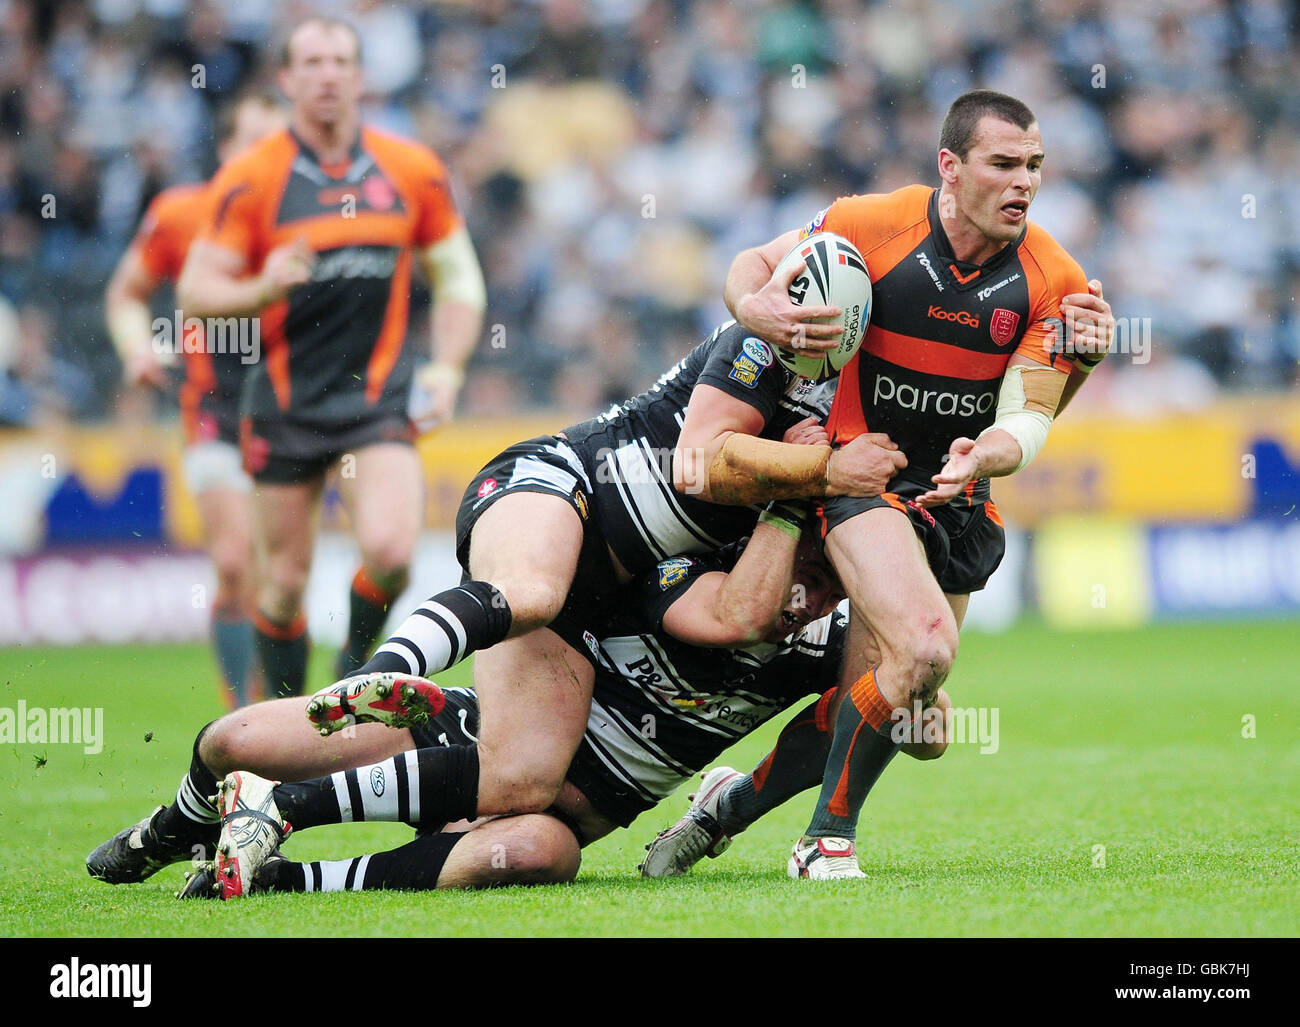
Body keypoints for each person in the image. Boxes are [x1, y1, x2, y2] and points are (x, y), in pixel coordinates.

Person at [87, 495, 944, 895]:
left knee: (544, 853)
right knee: (234, 738)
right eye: (806, 573)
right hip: (487, 737)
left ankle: (282, 880)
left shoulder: (832, 645)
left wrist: (915, 705)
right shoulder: (697, 573)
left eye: (836, 588)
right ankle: (177, 823)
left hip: (563, 811)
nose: (812, 598)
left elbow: (849, 722)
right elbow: (728, 617)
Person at [687, 88, 1116, 874]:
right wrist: (757, 309)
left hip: (955, 497)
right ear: (950, 168)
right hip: (862, 479)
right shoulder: (867, 224)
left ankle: (728, 806)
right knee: (922, 650)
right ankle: (825, 844)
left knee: (918, 724)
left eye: (1035, 167)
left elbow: (1028, 417)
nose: (1024, 182)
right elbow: (752, 265)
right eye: (1004, 164)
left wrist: (985, 454)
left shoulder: (1055, 276)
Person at [299, 317, 904, 858]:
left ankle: (248, 828)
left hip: (588, 619)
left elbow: (913, 719)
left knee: (528, 828)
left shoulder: (819, 615)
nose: (818, 600)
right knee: (531, 598)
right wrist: (804, 480)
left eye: (839, 586)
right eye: (819, 577)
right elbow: (728, 583)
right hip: (566, 487)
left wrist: (913, 659)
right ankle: (377, 676)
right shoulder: (754, 361)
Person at [176, 16, 486, 696]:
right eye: (312, 63)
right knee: (282, 585)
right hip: (284, 406)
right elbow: (194, 291)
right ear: (286, 80)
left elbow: (460, 278)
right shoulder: (253, 176)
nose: (328, 75)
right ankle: (284, 719)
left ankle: (349, 669)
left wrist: (447, 366)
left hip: (375, 401)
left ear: (361, 76)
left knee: (393, 552)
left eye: (341, 61)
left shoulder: (411, 169)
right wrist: (261, 285)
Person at [104, 92, 286, 709]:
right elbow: (126, 293)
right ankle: (245, 718)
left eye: (275, 143)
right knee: (236, 566)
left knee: (279, 582)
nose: (263, 156)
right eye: (251, 141)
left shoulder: (304, 224)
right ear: (227, 148)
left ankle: (292, 710)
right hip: (212, 415)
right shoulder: (181, 214)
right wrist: (138, 349)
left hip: (294, 419)